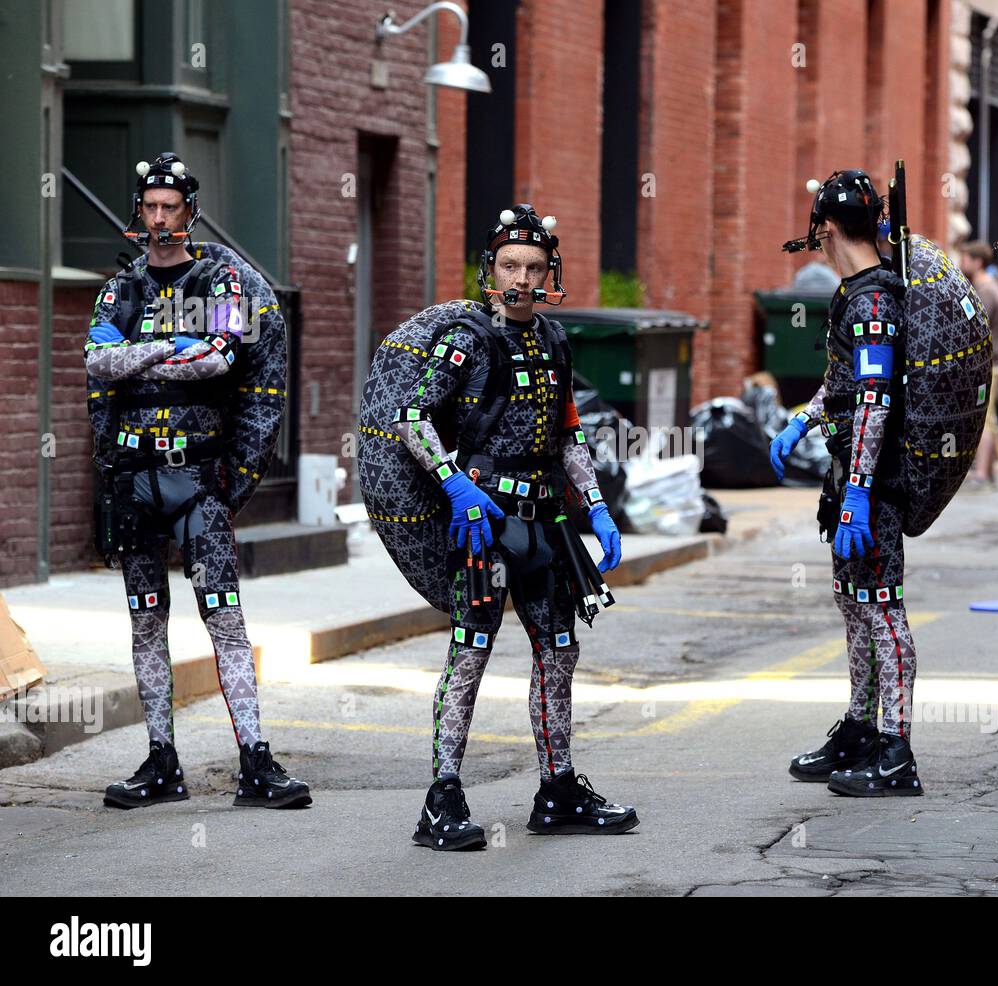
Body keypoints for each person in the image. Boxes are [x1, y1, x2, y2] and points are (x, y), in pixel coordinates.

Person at [360, 205, 636, 850]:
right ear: (490, 272)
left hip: (547, 526)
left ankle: (559, 788)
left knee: (559, 651)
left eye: (533, 267)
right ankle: (442, 799)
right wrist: (455, 485)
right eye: (509, 266)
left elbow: (569, 430)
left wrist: (595, 503)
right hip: (484, 524)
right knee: (471, 652)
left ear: (549, 274)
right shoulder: (465, 341)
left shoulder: (555, 339)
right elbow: (411, 417)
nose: (521, 278)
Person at [86, 153, 309, 809]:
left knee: (226, 620)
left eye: (170, 207)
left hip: (198, 483)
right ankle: (161, 763)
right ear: (139, 212)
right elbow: (98, 364)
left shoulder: (222, 281)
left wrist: (141, 354)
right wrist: (164, 350)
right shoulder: (119, 288)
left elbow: (221, 358)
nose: (159, 219)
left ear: (190, 211)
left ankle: (257, 763)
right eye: (149, 207)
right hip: (134, 481)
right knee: (146, 623)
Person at [770, 170, 924, 797]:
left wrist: (860, 488)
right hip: (850, 476)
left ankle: (898, 751)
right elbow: (844, 383)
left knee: (885, 612)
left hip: (874, 483)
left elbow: (876, 399)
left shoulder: (873, 299)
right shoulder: (859, 291)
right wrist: (803, 420)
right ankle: (861, 727)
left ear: (826, 230)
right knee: (854, 602)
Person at [962, 241, 998, 487]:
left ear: (977, 261)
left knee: (986, 418)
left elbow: (975, 329)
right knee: (988, 416)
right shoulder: (989, 287)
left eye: (966, 258)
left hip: (987, 363)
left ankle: (981, 473)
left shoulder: (985, 290)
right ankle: (988, 470)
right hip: (992, 362)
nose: (962, 263)